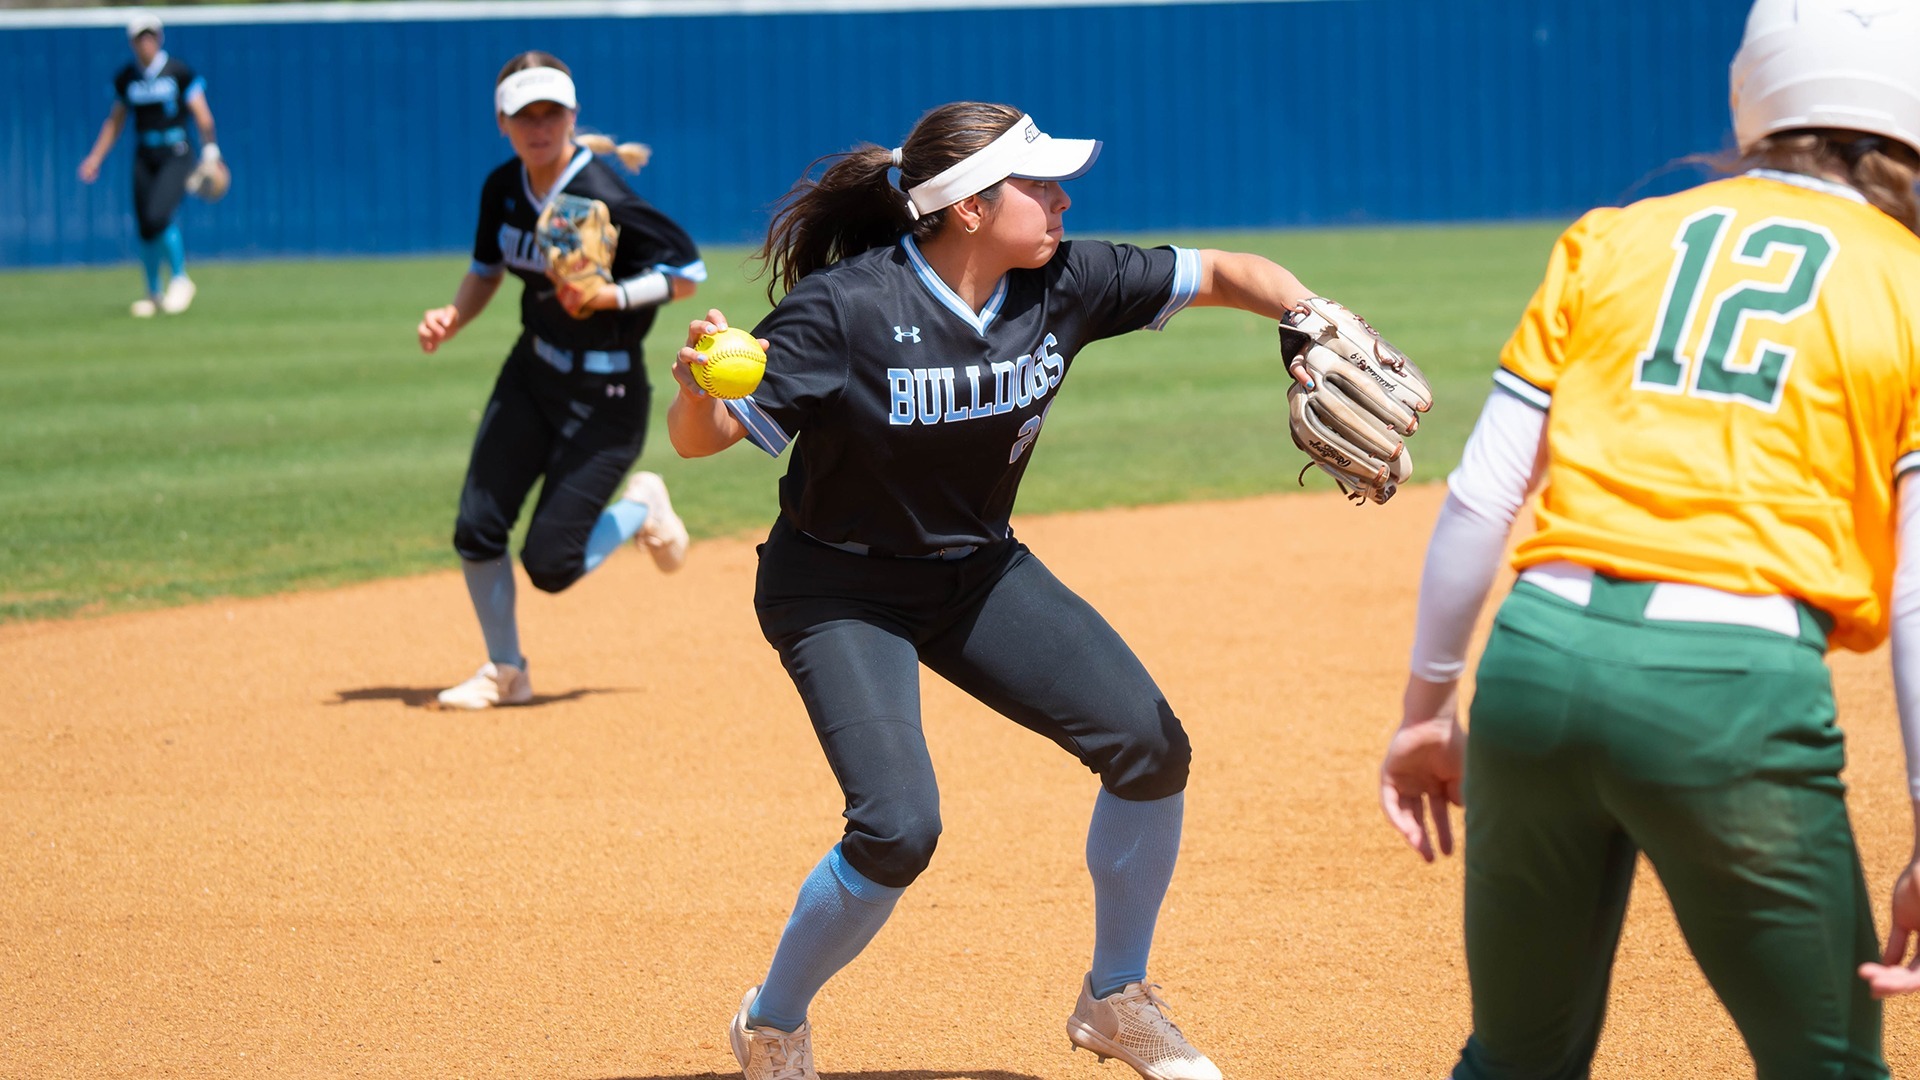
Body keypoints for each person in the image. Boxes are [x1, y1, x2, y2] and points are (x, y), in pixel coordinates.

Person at [668, 101, 1325, 1080]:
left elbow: (1228, 272)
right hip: (839, 589)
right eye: (1038, 183)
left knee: (1149, 748)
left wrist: (1316, 318)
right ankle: (772, 1024)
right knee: (898, 829)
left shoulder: (1062, 280)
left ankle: (1116, 999)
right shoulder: (844, 310)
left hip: (976, 571)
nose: (1062, 199)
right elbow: (702, 441)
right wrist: (698, 389)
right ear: (968, 208)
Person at [1377, 1, 1920, 1076]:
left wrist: (1427, 711)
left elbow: (1483, 499)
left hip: (1534, 665)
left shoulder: (1613, 237)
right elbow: (1915, 592)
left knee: (1514, 1061)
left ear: (1750, 90)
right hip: (1732, 695)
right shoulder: (1905, 278)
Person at [416, 52, 704, 710]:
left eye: (551, 112)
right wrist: (453, 316)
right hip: (531, 372)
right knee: (476, 529)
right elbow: (487, 268)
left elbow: (688, 274)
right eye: (525, 114)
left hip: (606, 399)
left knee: (549, 565)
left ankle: (643, 506)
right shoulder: (503, 188)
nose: (539, 125)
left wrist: (610, 298)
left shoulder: (602, 191)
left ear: (573, 117)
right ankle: (505, 671)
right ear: (503, 122)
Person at [77, 12, 219, 317]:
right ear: (132, 42)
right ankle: (153, 292)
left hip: (176, 150)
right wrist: (95, 157)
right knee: (144, 226)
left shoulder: (177, 71)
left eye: (151, 35)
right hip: (145, 152)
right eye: (141, 37)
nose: (146, 42)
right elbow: (115, 122)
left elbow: (203, 115)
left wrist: (211, 152)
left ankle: (180, 280)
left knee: (158, 215)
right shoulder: (127, 77)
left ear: (160, 38)